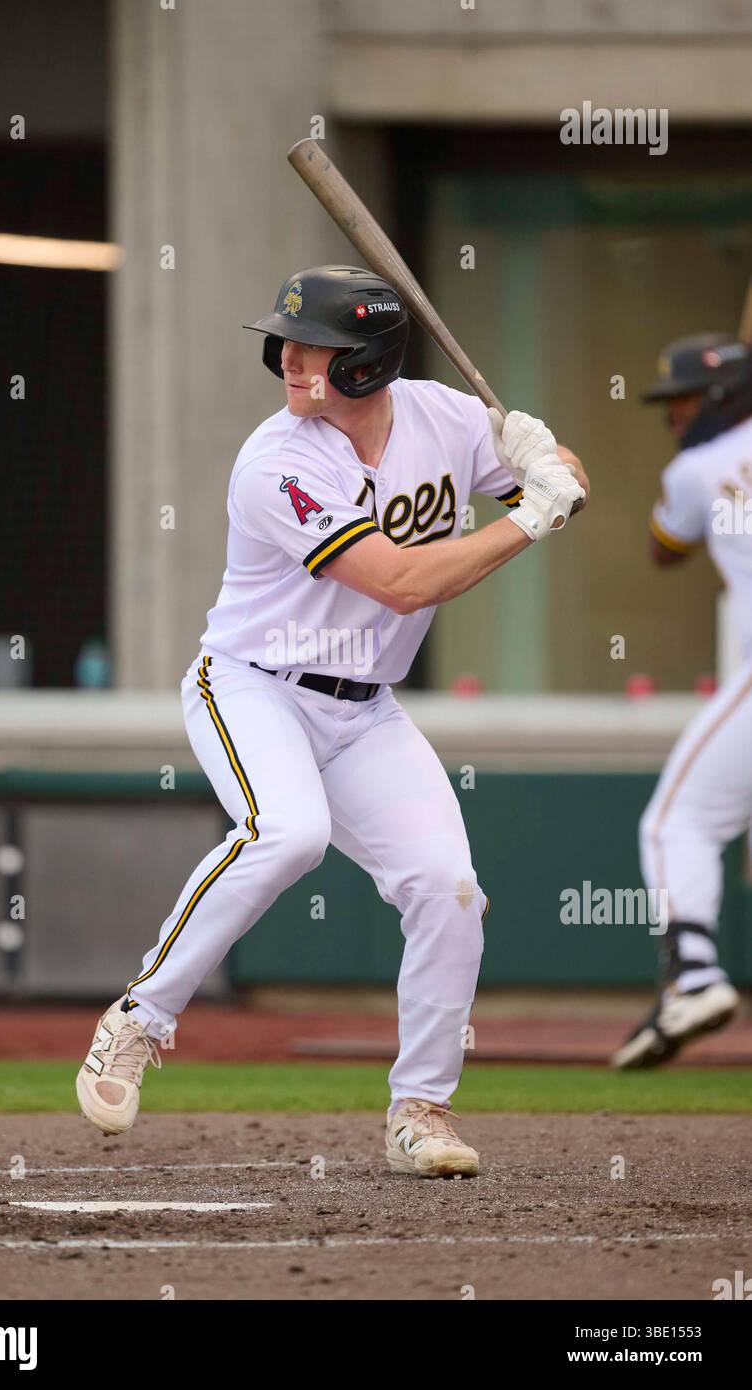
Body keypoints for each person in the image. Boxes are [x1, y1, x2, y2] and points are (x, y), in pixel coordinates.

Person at [77, 264, 587, 1176]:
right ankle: (138, 1018)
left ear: (369, 364)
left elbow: (554, 490)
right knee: (290, 834)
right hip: (253, 684)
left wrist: (543, 466)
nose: (293, 359)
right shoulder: (277, 460)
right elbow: (401, 583)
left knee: (449, 888)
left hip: (367, 709)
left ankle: (421, 1109)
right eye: (290, 341)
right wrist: (532, 517)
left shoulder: (448, 418)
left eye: (319, 346)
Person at [613, 334, 752, 1069]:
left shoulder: (696, 469)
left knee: (677, 821)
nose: (675, 417)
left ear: (726, 394)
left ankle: (694, 973)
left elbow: (664, 548)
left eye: (686, 400)